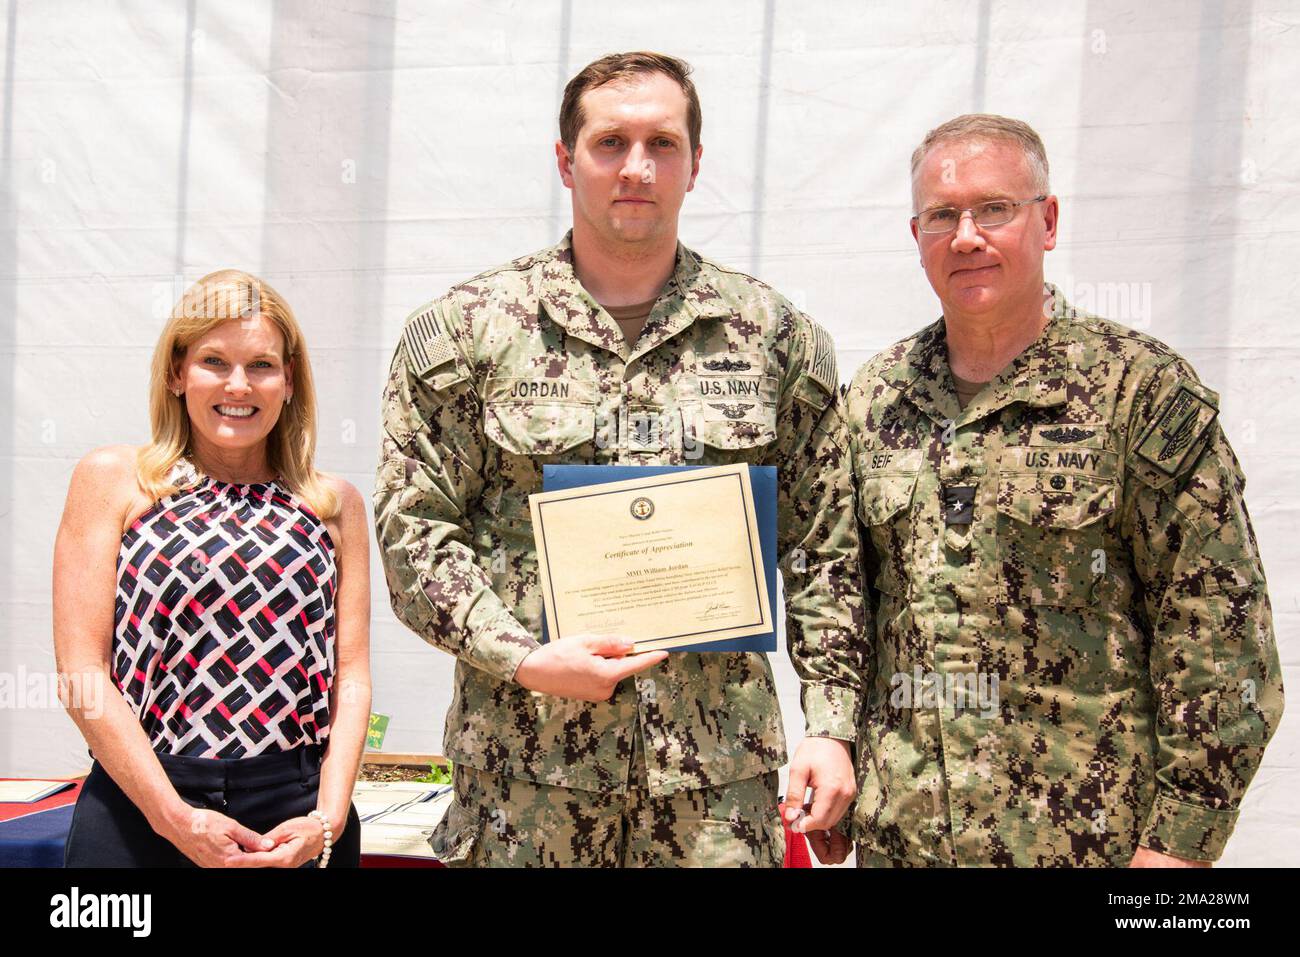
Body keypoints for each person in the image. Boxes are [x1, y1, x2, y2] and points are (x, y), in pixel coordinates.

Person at [374, 51, 863, 867]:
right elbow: (412, 533)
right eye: (610, 143)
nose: (637, 167)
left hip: (713, 787)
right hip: (526, 784)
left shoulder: (777, 339)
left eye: (662, 144)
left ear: (695, 165)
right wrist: (522, 657)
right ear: (566, 161)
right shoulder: (468, 332)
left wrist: (832, 722)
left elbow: (825, 550)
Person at [842, 114, 1284, 867]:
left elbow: (1220, 628)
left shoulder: (1137, 391)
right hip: (905, 840)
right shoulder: (876, 398)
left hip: (1087, 845)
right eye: (943, 216)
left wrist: (1177, 848)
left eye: (994, 209)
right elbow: (847, 604)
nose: (967, 235)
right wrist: (838, 747)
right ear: (916, 235)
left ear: (1046, 221)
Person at [55, 269, 371, 867]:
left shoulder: (332, 505)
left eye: (261, 365)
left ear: (289, 379)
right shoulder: (116, 481)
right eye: (213, 361)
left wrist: (325, 823)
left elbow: (351, 681)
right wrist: (172, 818)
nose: (238, 385)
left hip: (297, 822)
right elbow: (81, 673)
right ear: (176, 372)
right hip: (139, 808)